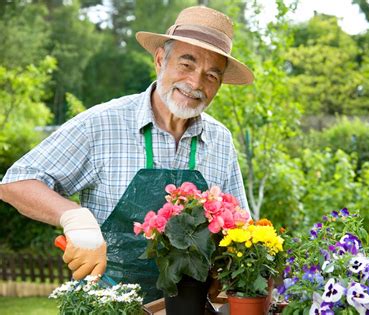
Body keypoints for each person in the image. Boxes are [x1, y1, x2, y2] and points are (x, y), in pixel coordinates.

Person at [0, 6, 253, 303]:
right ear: (160, 60)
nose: (196, 83)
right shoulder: (102, 123)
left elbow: (241, 227)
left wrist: (226, 267)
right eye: (186, 64)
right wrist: (74, 217)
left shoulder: (219, 140)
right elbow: (16, 182)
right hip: (106, 305)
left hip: (188, 307)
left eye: (212, 75)